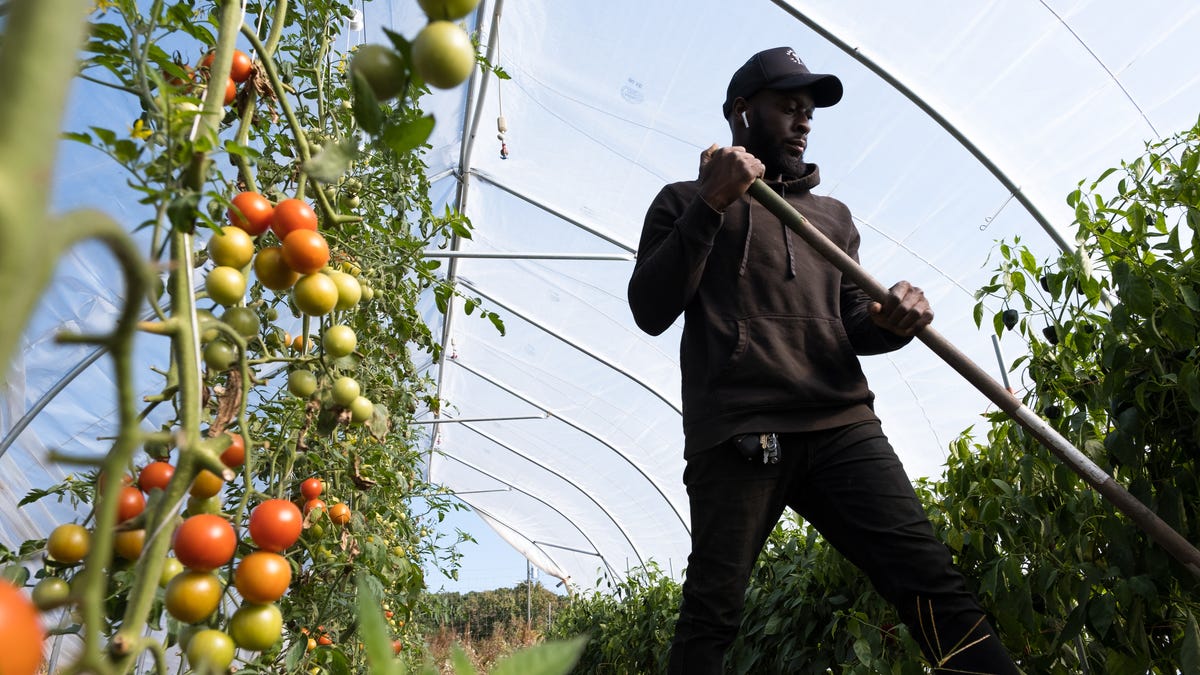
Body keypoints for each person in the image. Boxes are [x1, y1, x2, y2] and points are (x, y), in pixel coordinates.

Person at [627, 47, 1020, 674]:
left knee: (930, 585)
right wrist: (710, 204)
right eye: (787, 107)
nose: (802, 120)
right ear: (740, 113)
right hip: (739, 432)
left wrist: (893, 321)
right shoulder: (683, 202)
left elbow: (853, 324)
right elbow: (650, 309)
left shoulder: (832, 218)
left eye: (807, 111)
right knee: (711, 616)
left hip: (841, 426)